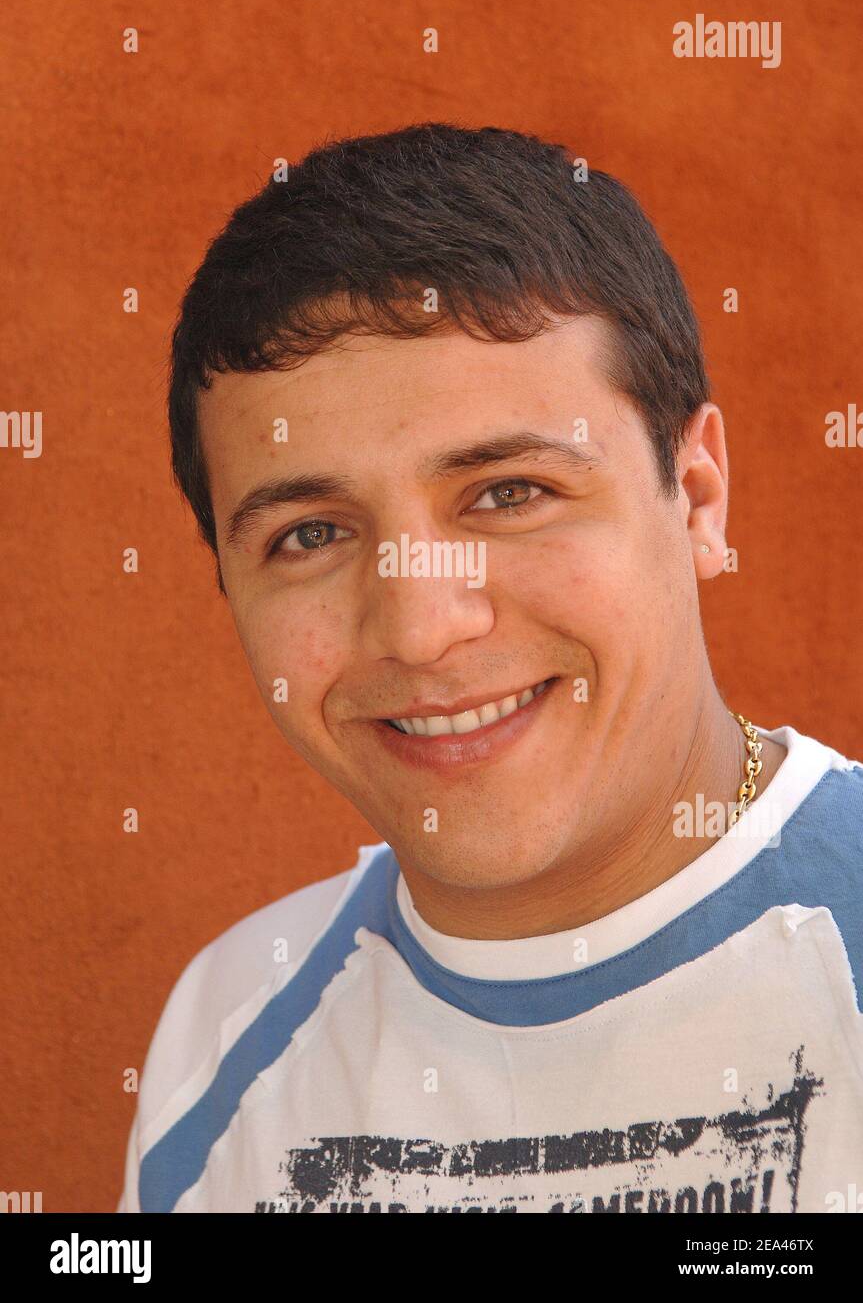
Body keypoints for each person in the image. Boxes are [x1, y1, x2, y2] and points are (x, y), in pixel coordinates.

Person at [118, 123, 863, 1214]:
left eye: (508, 492)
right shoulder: (221, 1033)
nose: (418, 629)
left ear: (696, 498)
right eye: (312, 534)